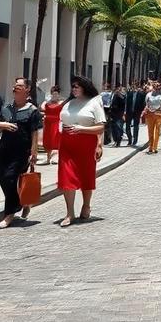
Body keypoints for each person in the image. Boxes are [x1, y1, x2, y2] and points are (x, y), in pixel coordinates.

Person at [58, 75, 106, 227]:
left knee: (86, 175)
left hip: (85, 142)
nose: (74, 89)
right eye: (72, 87)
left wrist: (85, 131)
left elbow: (101, 126)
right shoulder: (68, 103)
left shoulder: (94, 103)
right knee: (66, 177)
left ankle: (86, 205)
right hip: (67, 143)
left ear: (84, 87)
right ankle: (69, 213)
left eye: (77, 86)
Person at [0, 78, 42, 229]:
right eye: (15, 86)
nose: (16, 88)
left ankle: (8, 215)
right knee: (3, 179)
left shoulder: (32, 110)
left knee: (10, 179)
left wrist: (34, 152)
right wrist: (1, 125)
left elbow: (34, 132)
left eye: (20, 86)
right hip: (4, 150)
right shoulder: (6, 108)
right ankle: (22, 202)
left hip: (21, 152)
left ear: (27, 89)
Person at [143, 80, 161, 153]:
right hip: (150, 114)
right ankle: (151, 146)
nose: (156, 89)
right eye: (155, 87)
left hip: (159, 114)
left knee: (157, 131)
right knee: (150, 131)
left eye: (157, 87)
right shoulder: (148, 95)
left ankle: (155, 147)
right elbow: (146, 104)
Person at [42, 86, 64, 165]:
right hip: (48, 123)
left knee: (56, 139)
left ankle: (57, 157)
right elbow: (41, 108)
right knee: (48, 140)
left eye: (56, 94)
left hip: (57, 122)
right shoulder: (47, 102)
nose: (55, 96)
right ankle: (48, 157)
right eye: (53, 94)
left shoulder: (61, 102)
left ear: (58, 94)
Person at [125, 83, 144, 147]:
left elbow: (142, 104)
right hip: (129, 112)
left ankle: (135, 140)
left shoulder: (141, 94)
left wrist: (141, 112)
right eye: (133, 87)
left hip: (137, 113)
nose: (134, 88)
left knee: (136, 127)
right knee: (127, 126)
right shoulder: (129, 94)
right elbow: (127, 103)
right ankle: (130, 139)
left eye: (135, 87)